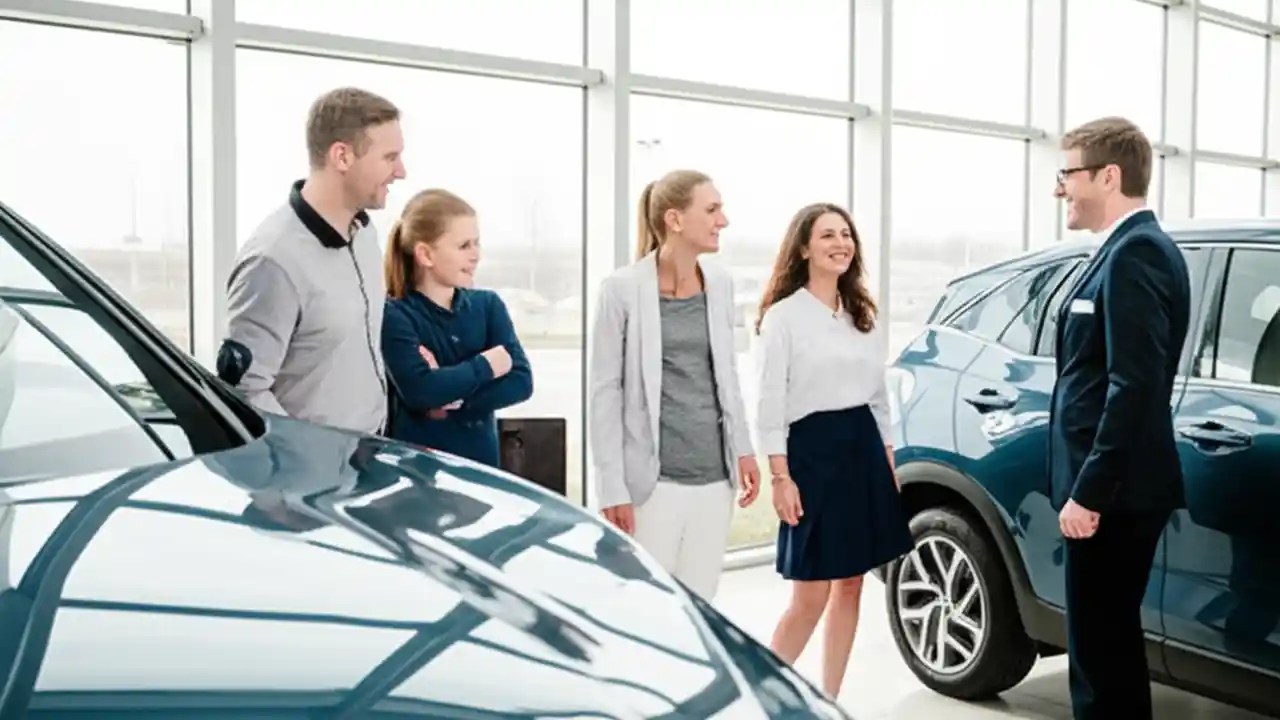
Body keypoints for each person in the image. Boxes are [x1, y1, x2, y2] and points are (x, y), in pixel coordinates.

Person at [1048, 116, 1191, 720]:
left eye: (1067, 174)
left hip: (1114, 495)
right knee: (1108, 649)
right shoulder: (1122, 250)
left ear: (1109, 176)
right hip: (1113, 491)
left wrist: (1089, 493)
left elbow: (1134, 387)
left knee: (1100, 660)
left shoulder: (1138, 254)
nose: (1058, 188)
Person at [754, 202, 912, 698]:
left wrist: (888, 458)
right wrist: (780, 477)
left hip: (863, 450)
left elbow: (878, 396)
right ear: (803, 248)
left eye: (846, 234)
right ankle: (759, 696)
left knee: (852, 584)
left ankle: (829, 700)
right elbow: (769, 404)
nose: (841, 243)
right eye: (827, 235)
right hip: (811, 456)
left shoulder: (861, 314)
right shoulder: (783, 318)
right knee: (810, 595)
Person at [588, 169, 760, 601]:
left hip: (715, 478)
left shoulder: (720, 284)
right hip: (652, 481)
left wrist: (743, 448)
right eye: (712, 209)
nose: (723, 220)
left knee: (701, 604)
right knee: (646, 605)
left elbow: (726, 374)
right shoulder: (621, 289)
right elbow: (604, 392)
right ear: (675, 219)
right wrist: (611, 486)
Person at [223, 87, 405, 435]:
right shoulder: (272, 260)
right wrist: (307, 454)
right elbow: (246, 391)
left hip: (368, 450)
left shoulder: (365, 234)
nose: (401, 171)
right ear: (342, 157)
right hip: (310, 465)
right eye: (389, 157)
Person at [381, 188, 532, 466]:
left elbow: (521, 382)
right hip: (418, 475)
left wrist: (451, 396)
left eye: (477, 243)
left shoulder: (488, 306)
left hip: (481, 472)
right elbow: (421, 391)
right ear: (426, 255)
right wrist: (486, 365)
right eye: (464, 246)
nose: (476, 255)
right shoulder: (394, 315)